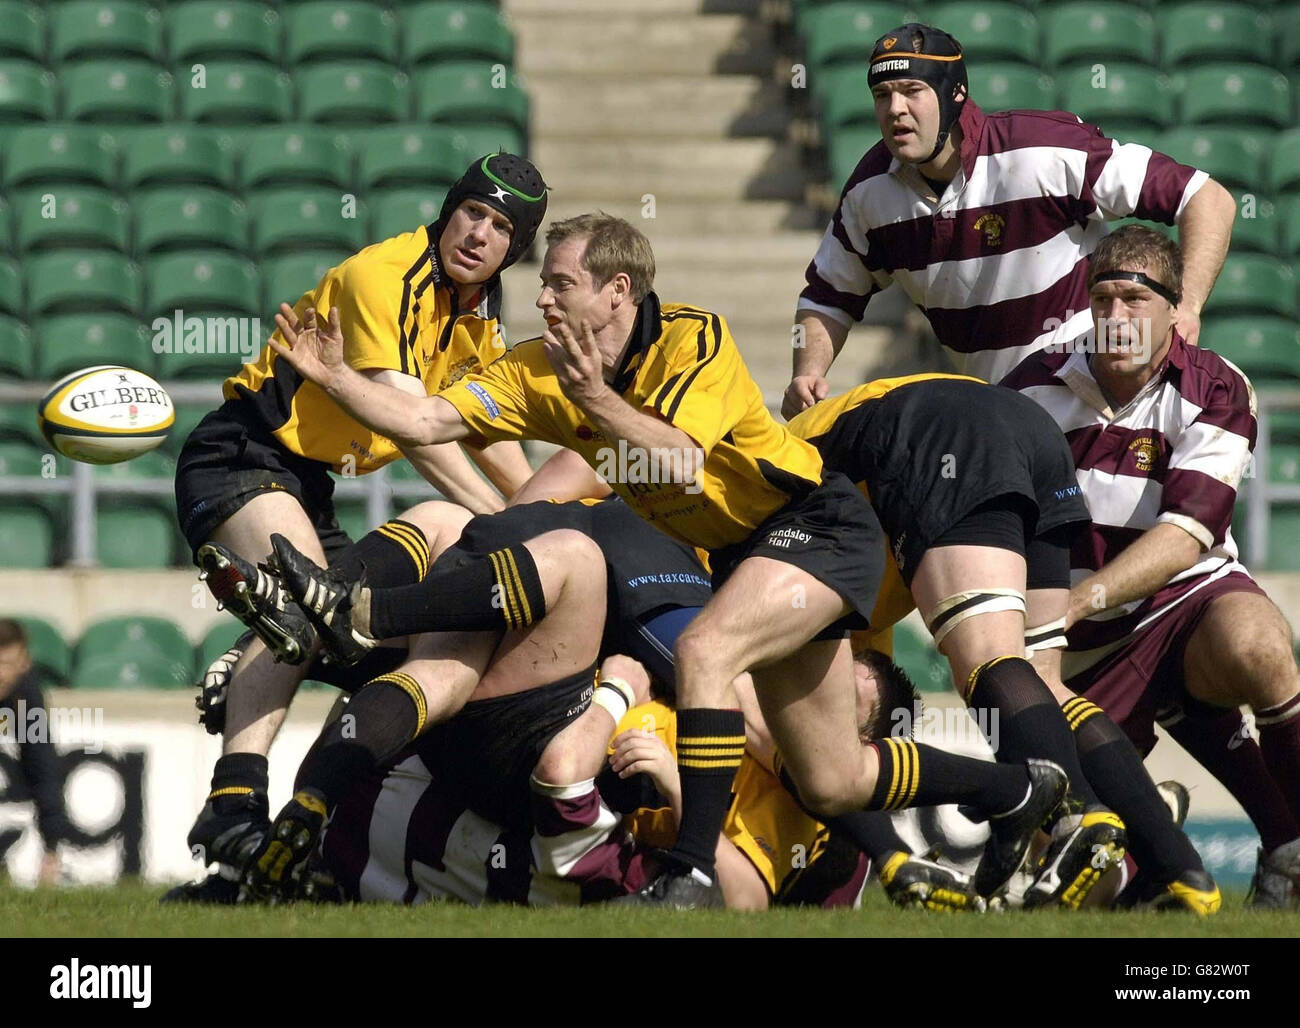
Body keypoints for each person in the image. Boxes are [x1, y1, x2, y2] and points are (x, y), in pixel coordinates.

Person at [261, 211, 1068, 908]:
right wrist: (335, 377)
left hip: (817, 526)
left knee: (704, 651)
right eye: (544, 283)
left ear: (619, 292)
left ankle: (688, 873)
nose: (541, 296)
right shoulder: (543, 365)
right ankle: (1017, 788)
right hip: (747, 551)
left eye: (560, 282)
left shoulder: (693, 336)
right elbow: (431, 418)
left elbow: (679, 461)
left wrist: (595, 402)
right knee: (830, 780)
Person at [177, 153, 548, 875]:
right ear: (450, 209)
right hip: (242, 454)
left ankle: (242, 844)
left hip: (308, 484)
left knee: (353, 641)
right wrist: (505, 520)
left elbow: (481, 428)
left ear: (514, 248)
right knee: (313, 609)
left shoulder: (478, 311)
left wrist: (536, 510)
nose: (479, 233)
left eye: (502, 226)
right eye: (473, 210)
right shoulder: (388, 276)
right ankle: (235, 803)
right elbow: (415, 426)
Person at [787, 372, 1222, 911]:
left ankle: (1081, 818)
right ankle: (1174, 865)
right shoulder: (842, 609)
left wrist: (884, 850)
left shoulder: (767, 592)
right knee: (1038, 679)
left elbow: (792, 733)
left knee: (987, 662)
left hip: (934, 431)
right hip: (1027, 431)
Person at [1003, 224, 1300, 908]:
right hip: (1081, 652)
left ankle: (1290, 852)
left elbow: (1188, 533)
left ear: (1175, 309)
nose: (1116, 316)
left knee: (1257, 644)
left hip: (1184, 600)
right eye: (1103, 298)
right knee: (1082, 879)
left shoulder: (1215, 386)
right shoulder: (1030, 390)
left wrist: (1079, 599)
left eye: (1136, 300)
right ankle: (1170, 849)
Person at [783, 22, 1237, 418]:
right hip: (1006, 421)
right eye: (882, 95)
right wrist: (807, 374)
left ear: (955, 94)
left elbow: (1206, 198)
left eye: (912, 92)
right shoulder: (870, 192)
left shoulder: (1042, 149)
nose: (895, 109)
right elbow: (828, 296)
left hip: (1109, 402)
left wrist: (1189, 306)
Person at [0, 619, 69, 886]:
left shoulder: (25, 694)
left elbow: (42, 765)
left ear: (24, 663)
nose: (1, 674)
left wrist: (52, 847)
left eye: (7, 664)